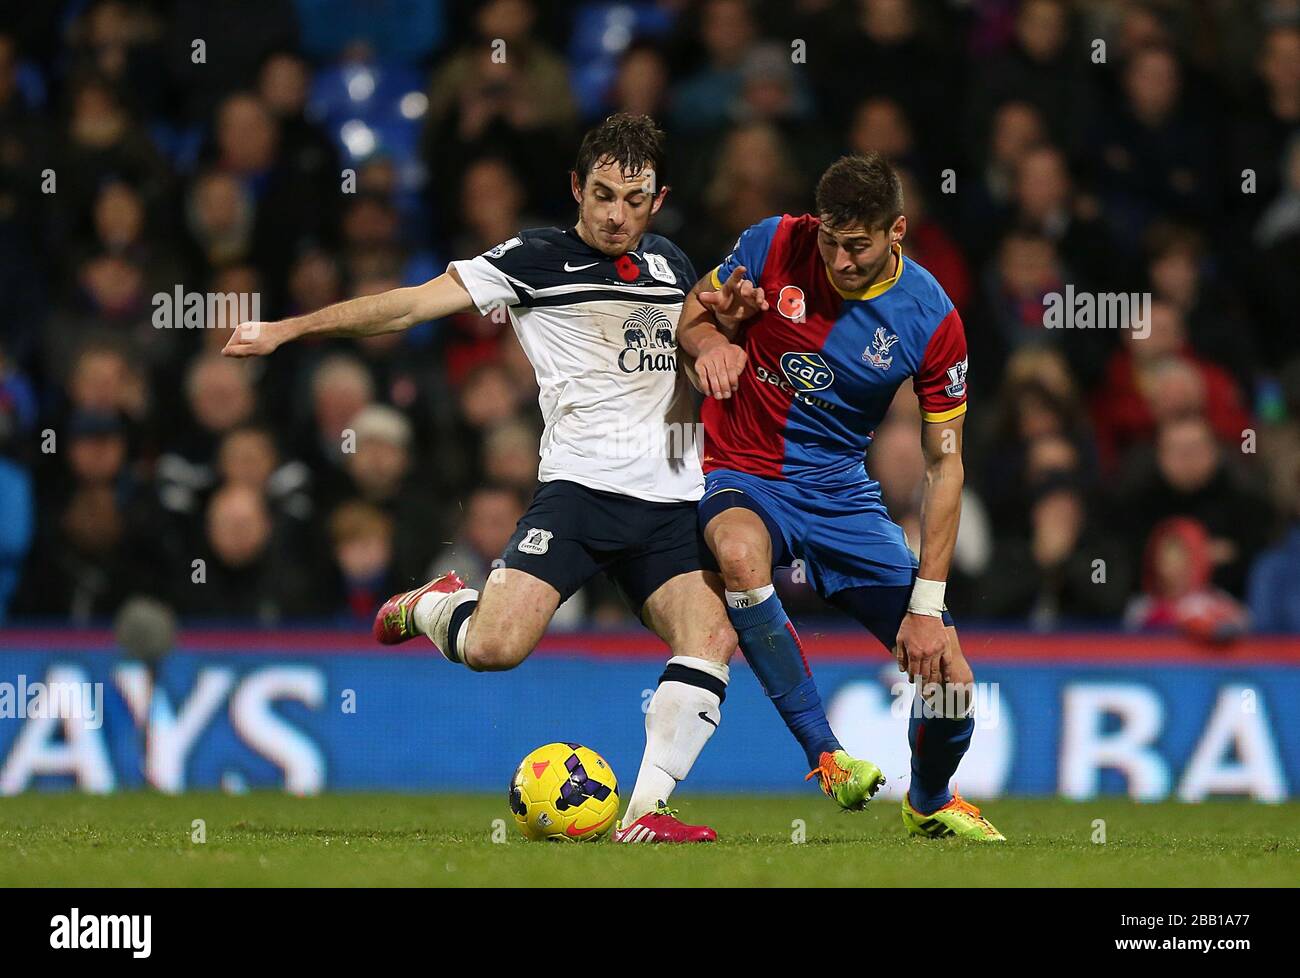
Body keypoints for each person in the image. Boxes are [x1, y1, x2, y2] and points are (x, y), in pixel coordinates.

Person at [223, 114, 884, 843]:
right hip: (578, 495)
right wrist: (287, 330)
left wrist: (731, 328)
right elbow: (409, 304)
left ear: (657, 201)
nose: (615, 215)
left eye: (634, 200)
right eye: (602, 195)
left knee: (710, 635)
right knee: (496, 649)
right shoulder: (530, 260)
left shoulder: (673, 265)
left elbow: (706, 356)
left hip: (671, 499)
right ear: (576, 187)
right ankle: (439, 606)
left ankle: (648, 814)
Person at [679, 152, 1005, 841]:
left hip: (842, 494)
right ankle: (826, 755)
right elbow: (693, 315)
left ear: (897, 233)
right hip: (746, 469)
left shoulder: (931, 318)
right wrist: (710, 342)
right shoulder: (771, 241)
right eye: (829, 239)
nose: (839, 258)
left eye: (857, 245)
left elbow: (944, 468)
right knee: (740, 554)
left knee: (949, 679)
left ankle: (930, 799)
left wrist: (927, 608)